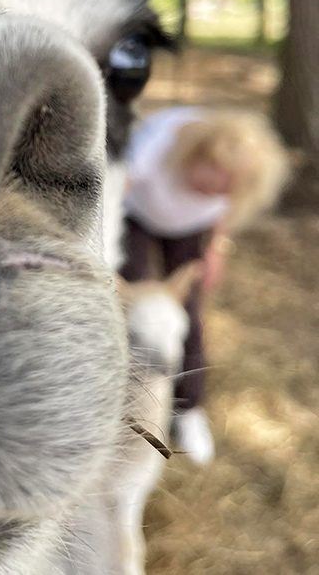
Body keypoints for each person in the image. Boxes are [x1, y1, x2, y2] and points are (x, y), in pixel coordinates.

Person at [121, 107, 290, 464]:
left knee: (189, 313)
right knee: (134, 305)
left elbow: (225, 212)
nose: (213, 188)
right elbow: (122, 183)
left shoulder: (231, 186)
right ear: (197, 151)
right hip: (137, 215)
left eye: (225, 185)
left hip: (187, 230)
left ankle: (188, 408)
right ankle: (125, 397)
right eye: (212, 172)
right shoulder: (160, 141)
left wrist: (215, 249)